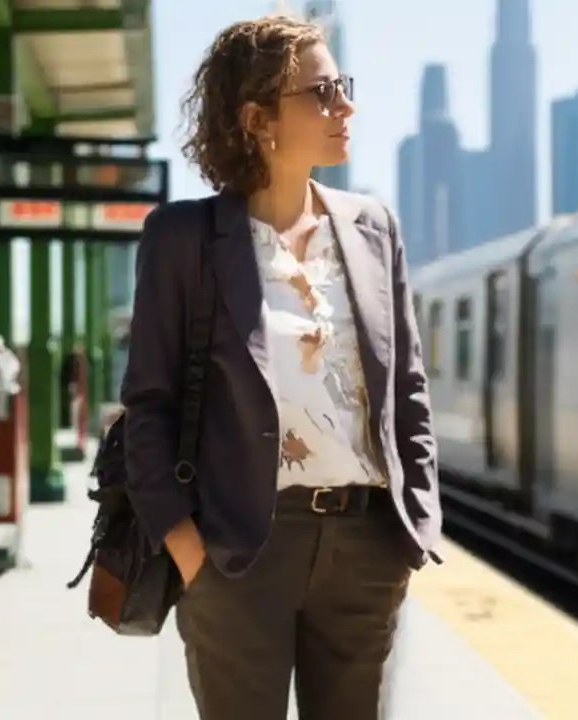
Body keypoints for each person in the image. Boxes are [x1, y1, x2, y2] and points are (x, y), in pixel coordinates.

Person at [120, 14, 442, 720]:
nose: (345, 106)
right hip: (238, 552)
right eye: (322, 93)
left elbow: (406, 390)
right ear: (256, 117)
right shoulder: (184, 240)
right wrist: (187, 548)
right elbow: (148, 407)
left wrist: (414, 528)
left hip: (366, 548)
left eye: (343, 87)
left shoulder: (372, 228)